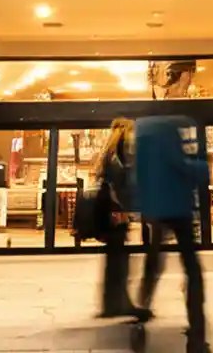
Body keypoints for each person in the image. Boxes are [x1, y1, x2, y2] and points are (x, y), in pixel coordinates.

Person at [133, 115, 211, 353]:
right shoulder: (167, 133)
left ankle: (142, 310)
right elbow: (180, 165)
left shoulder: (142, 136)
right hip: (178, 206)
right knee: (191, 267)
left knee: (154, 260)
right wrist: (200, 167)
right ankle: (196, 327)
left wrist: (143, 206)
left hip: (155, 209)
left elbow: (138, 176)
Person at [95, 118, 139, 318]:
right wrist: (125, 209)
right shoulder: (118, 157)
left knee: (115, 258)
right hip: (115, 212)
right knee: (118, 258)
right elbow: (120, 186)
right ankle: (118, 303)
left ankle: (113, 303)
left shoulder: (108, 154)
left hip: (108, 212)